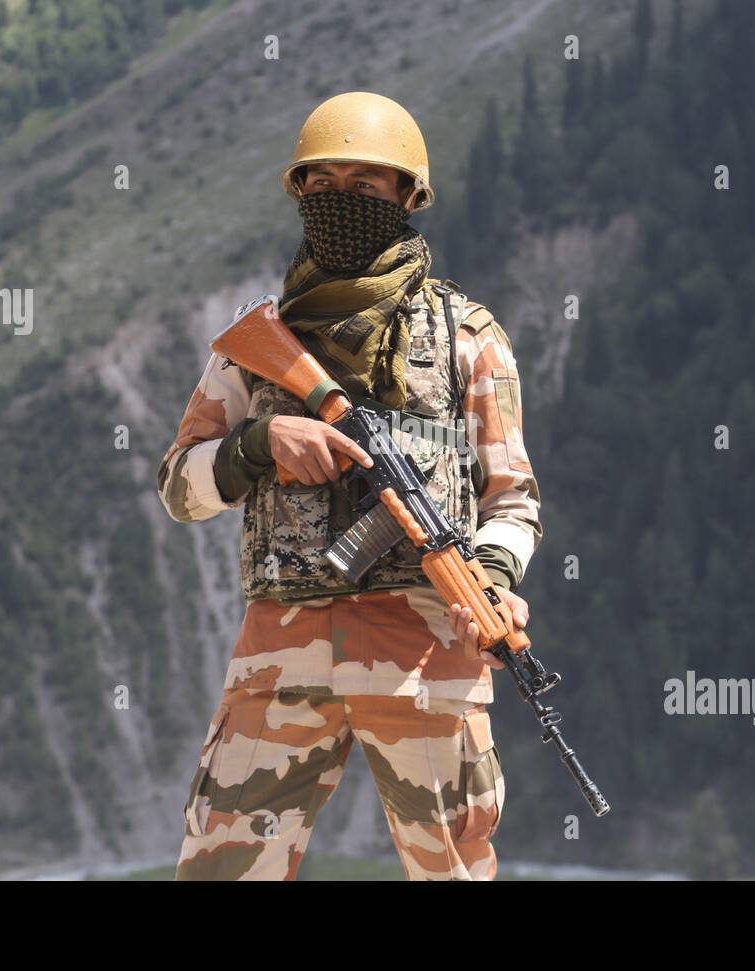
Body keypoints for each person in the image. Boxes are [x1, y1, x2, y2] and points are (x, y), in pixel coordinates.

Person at [156, 91, 542, 880]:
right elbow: (180, 488)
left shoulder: (467, 339)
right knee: (222, 868)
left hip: (426, 651)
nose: (342, 200)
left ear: (408, 199)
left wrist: (494, 581)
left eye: (367, 187)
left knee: (453, 873)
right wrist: (260, 442)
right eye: (323, 184)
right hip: (280, 653)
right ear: (300, 193)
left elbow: (511, 496)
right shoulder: (254, 348)